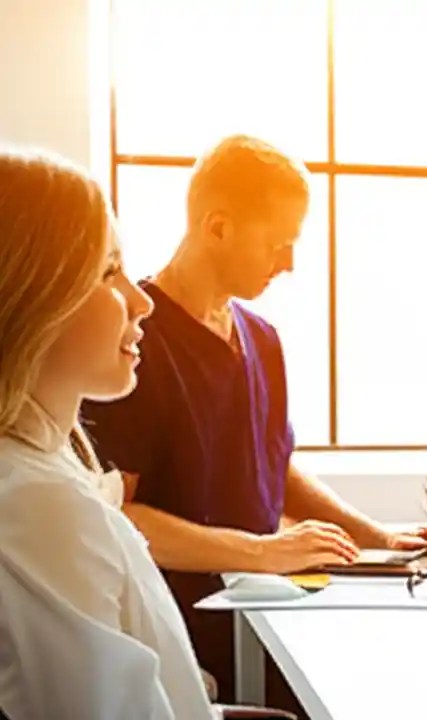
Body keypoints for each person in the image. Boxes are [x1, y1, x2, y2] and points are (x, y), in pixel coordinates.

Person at [79, 134, 427, 698]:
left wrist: (379, 541)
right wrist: (261, 552)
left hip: (275, 614)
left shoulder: (263, 340)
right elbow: (122, 514)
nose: (288, 264)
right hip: (188, 633)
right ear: (217, 227)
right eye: (277, 244)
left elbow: (273, 468)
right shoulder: (135, 345)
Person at [0, 148, 223, 718]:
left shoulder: (47, 471)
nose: (142, 301)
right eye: (107, 271)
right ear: (32, 293)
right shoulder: (36, 503)